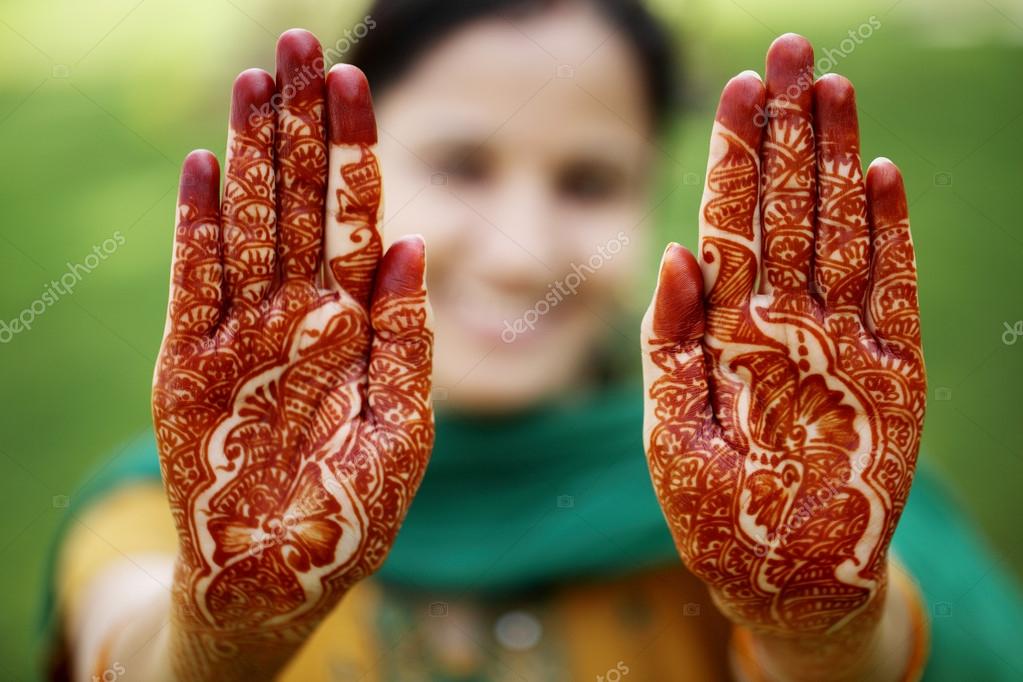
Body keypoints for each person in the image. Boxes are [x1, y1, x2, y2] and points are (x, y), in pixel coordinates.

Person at [41, 0, 1023, 680]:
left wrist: (822, 630)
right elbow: (124, 643)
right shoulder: (198, 500)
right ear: (343, 166)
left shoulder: (765, 484)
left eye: (588, 183)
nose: (523, 252)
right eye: (462, 165)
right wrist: (221, 635)